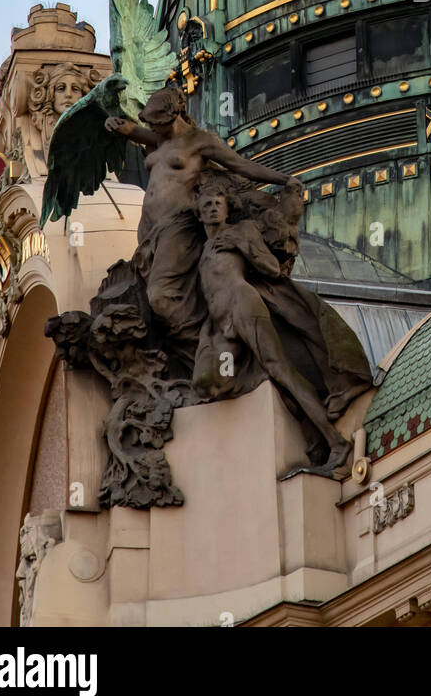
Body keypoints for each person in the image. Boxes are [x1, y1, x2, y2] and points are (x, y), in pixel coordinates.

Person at [192, 173, 372, 472]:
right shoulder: (205, 248)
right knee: (206, 381)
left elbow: (272, 268)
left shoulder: (242, 230)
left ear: (227, 209)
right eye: (207, 204)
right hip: (220, 321)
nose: (213, 208)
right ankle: (312, 435)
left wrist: (241, 243)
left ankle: (335, 442)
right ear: (198, 212)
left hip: (243, 305)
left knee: (281, 371)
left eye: (218, 203)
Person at [104, 87, 298, 359]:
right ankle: (194, 351)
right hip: (149, 230)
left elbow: (240, 165)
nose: (153, 127)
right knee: (148, 296)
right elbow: (135, 131)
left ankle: (207, 347)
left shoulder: (200, 141)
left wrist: (284, 180)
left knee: (161, 295)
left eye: (157, 122)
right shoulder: (160, 140)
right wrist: (115, 124)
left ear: (173, 116)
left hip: (179, 225)